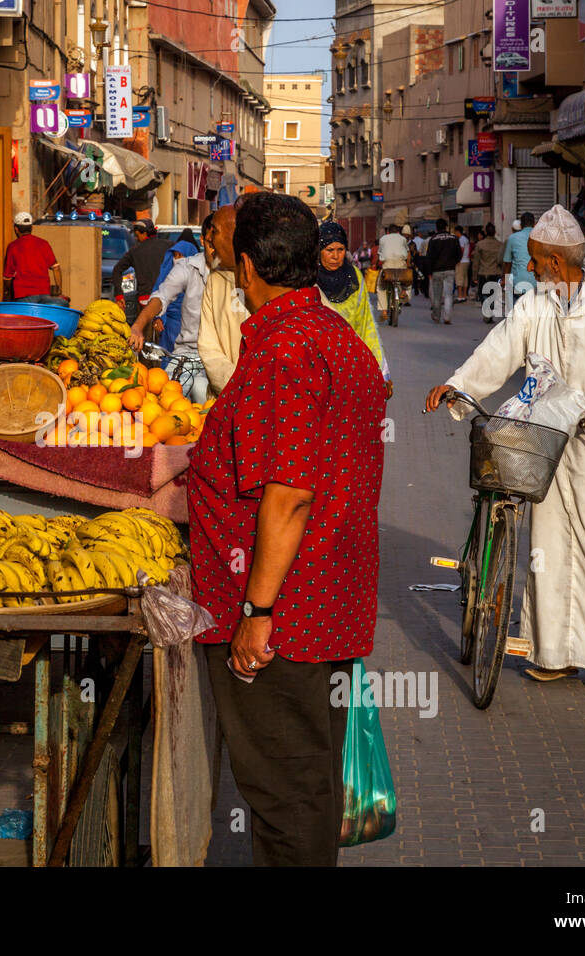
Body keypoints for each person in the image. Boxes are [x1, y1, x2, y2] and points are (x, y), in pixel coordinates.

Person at [187, 192, 385, 865]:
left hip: (288, 615)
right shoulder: (334, 339)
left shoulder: (288, 352)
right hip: (326, 601)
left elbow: (291, 496)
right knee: (307, 782)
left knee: (284, 792)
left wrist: (257, 612)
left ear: (247, 267)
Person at [425, 203, 585, 695]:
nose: (530, 267)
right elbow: (500, 348)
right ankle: (553, 654)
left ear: (557, 262)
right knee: (549, 551)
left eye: (536, 260)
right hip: (550, 448)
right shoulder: (536, 304)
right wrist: (457, 385)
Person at [128, 222, 209, 401]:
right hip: (187, 351)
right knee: (168, 397)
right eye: (211, 242)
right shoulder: (187, 267)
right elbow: (161, 296)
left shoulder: (239, 271)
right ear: (203, 240)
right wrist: (138, 326)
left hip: (224, 355)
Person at [316, 220, 392, 398]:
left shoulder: (354, 278)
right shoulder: (306, 279)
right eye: (329, 250)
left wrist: (381, 370)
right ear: (318, 251)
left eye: (340, 250)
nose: (335, 256)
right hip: (315, 370)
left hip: (348, 369)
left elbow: (367, 326)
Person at [196, 205, 250, 394]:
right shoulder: (215, 281)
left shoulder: (276, 279)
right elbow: (208, 348)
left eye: (215, 231)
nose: (209, 238)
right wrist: (241, 389)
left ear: (235, 235)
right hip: (226, 400)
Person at [3, 212, 62, 304]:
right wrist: (59, 289)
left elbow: (7, 277)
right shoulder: (43, 243)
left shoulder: (13, 246)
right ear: (32, 228)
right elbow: (56, 268)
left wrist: (8, 295)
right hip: (44, 293)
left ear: (16, 229)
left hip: (23, 294)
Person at [110, 217, 170, 304]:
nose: (137, 239)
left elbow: (117, 270)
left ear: (144, 233)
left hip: (145, 298)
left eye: (137, 235)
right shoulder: (168, 245)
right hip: (166, 297)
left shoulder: (135, 251)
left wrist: (119, 295)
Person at [425, 219, 461, 325]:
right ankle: (447, 317)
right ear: (446, 227)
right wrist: (454, 263)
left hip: (437, 270)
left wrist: (429, 271)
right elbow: (459, 254)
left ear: (436, 228)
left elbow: (429, 257)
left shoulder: (433, 239)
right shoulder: (454, 238)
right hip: (450, 269)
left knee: (437, 295)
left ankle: (436, 316)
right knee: (449, 294)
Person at [375, 223, 409, 325]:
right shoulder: (403, 238)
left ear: (388, 231)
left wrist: (376, 265)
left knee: (381, 287)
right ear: (398, 231)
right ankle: (403, 291)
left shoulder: (383, 239)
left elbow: (379, 254)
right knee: (406, 280)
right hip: (400, 264)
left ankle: (384, 311)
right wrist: (408, 265)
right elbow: (408, 253)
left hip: (388, 265)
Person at [471, 222, 504, 322]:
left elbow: (476, 262)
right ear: (495, 232)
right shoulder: (500, 245)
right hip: (496, 273)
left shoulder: (480, 245)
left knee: (483, 294)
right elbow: (502, 261)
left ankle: (487, 311)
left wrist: (474, 276)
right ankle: (490, 310)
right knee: (494, 294)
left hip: (483, 273)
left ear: (485, 232)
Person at [503, 210, 536, 299]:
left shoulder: (512, 238)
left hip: (519, 283)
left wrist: (504, 281)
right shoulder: (541, 237)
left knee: (516, 308)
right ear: (534, 224)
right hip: (538, 283)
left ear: (521, 225)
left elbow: (507, 263)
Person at [454, 225, 470, 302]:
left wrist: (457, 260)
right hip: (466, 260)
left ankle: (460, 296)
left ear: (457, 232)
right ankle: (464, 295)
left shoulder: (461, 240)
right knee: (465, 278)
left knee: (459, 278)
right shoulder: (466, 239)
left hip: (462, 261)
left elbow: (461, 250)